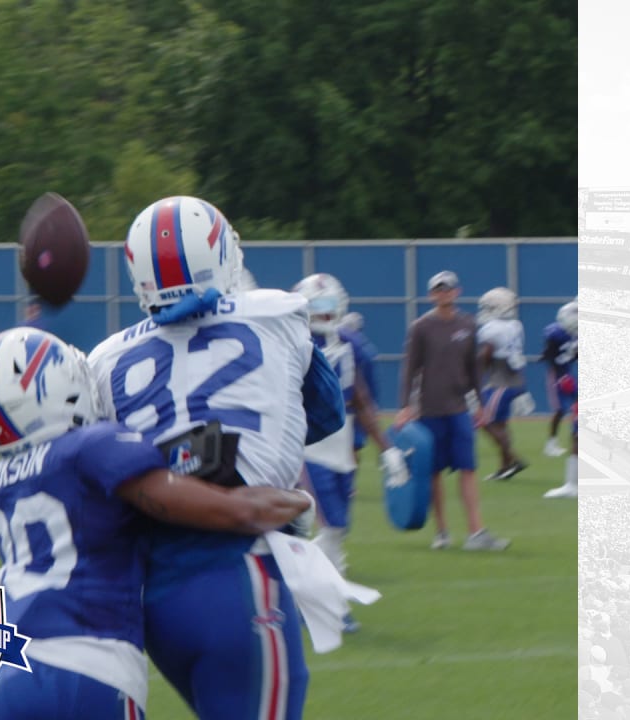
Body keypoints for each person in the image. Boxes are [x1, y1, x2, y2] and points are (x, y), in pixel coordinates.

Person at [88, 195, 349, 720]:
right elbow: (325, 416)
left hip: (151, 591)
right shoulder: (276, 315)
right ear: (224, 253)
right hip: (239, 574)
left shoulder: (105, 358)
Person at [0, 327, 312, 720]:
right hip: (88, 668)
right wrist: (294, 502)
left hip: (12, 679)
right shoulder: (92, 446)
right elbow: (229, 510)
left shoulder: (0, 481)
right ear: (53, 386)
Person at [292, 274, 407, 575]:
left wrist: (388, 449)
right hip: (310, 448)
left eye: (329, 304)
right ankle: (331, 596)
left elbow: (362, 400)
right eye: (316, 305)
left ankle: (296, 573)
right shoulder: (293, 345)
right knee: (331, 527)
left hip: (341, 451)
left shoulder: (349, 346)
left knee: (338, 528)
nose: (324, 312)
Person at [394, 270, 510, 551]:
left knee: (468, 469)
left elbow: (474, 369)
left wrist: (480, 404)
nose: (443, 293)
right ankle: (442, 531)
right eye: (438, 289)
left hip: (459, 409)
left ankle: (476, 531)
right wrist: (405, 406)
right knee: (434, 471)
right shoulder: (421, 327)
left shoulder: (468, 325)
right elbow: (410, 368)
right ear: (431, 294)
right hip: (430, 410)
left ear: (457, 292)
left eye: (448, 289)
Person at [475, 287, 533, 481]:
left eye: (489, 307)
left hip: (500, 381)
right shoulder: (515, 325)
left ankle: (513, 459)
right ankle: (504, 467)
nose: (485, 310)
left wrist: (474, 378)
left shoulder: (492, 329)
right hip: (514, 378)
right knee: (500, 423)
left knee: (483, 420)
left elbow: (486, 354)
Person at [339, 311, 380, 462]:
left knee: (350, 449)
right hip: (352, 406)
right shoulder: (367, 351)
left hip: (350, 406)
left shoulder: (361, 352)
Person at [543, 300, 578, 457]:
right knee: (560, 410)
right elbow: (548, 356)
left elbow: (575, 356)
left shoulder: (576, 333)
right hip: (556, 374)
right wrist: (562, 375)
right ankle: (551, 444)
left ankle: (577, 440)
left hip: (568, 373)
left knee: (579, 406)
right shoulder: (555, 333)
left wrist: (575, 353)